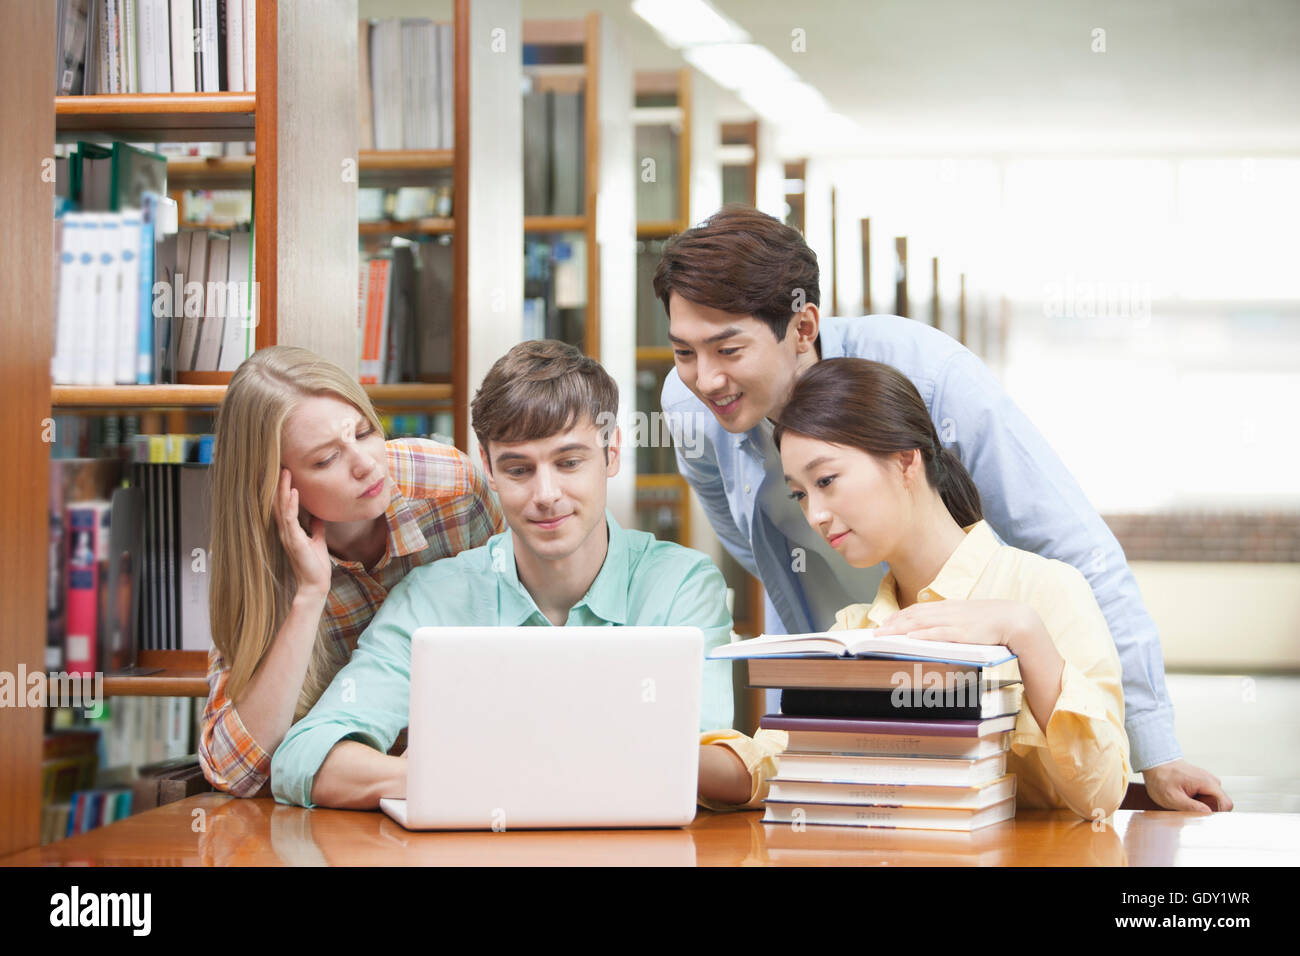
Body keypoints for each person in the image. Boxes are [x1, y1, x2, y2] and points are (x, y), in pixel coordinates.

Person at [657, 204, 1230, 813]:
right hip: (855, 650)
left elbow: (1074, 549)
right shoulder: (691, 409)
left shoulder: (933, 378)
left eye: (727, 349)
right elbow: (758, 549)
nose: (706, 378)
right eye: (684, 352)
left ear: (802, 328)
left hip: (991, 647)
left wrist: (1156, 750)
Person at [271, 340, 782, 811]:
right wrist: (439, 778)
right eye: (518, 470)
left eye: (569, 462)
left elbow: (713, 764)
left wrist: (527, 763)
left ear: (612, 453)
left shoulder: (680, 585)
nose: (546, 495)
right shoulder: (431, 598)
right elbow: (303, 759)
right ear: (488, 471)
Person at [775, 358, 1130, 817]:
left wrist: (1022, 632)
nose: (815, 515)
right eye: (800, 494)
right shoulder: (853, 629)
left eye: (826, 480)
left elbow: (1101, 796)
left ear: (905, 461)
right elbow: (779, 760)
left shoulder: (1044, 590)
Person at [200, 346, 503, 797]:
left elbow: (521, 621)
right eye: (326, 459)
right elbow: (233, 771)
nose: (364, 463)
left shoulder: (451, 487)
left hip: (479, 778)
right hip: (340, 803)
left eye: (363, 432)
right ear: (273, 484)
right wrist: (308, 595)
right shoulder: (262, 566)